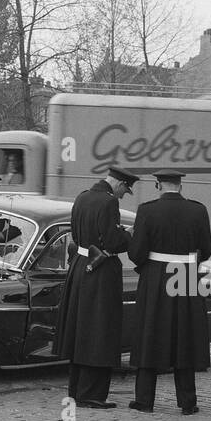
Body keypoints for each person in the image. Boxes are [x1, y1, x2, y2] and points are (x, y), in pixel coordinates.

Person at [127, 169, 211, 415]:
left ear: (158, 185)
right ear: (180, 185)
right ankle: (188, 402)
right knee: (184, 335)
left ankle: (144, 400)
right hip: (185, 275)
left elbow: (136, 252)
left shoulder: (146, 210)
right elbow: (206, 249)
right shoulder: (198, 210)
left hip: (155, 276)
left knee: (149, 333)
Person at [54, 167, 137, 407]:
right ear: (119, 184)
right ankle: (92, 394)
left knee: (82, 330)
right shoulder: (109, 203)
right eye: (125, 190)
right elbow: (111, 241)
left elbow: (81, 234)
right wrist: (129, 236)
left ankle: (77, 390)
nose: (123, 196)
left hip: (81, 265)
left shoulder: (82, 196)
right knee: (100, 330)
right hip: (100, 270)